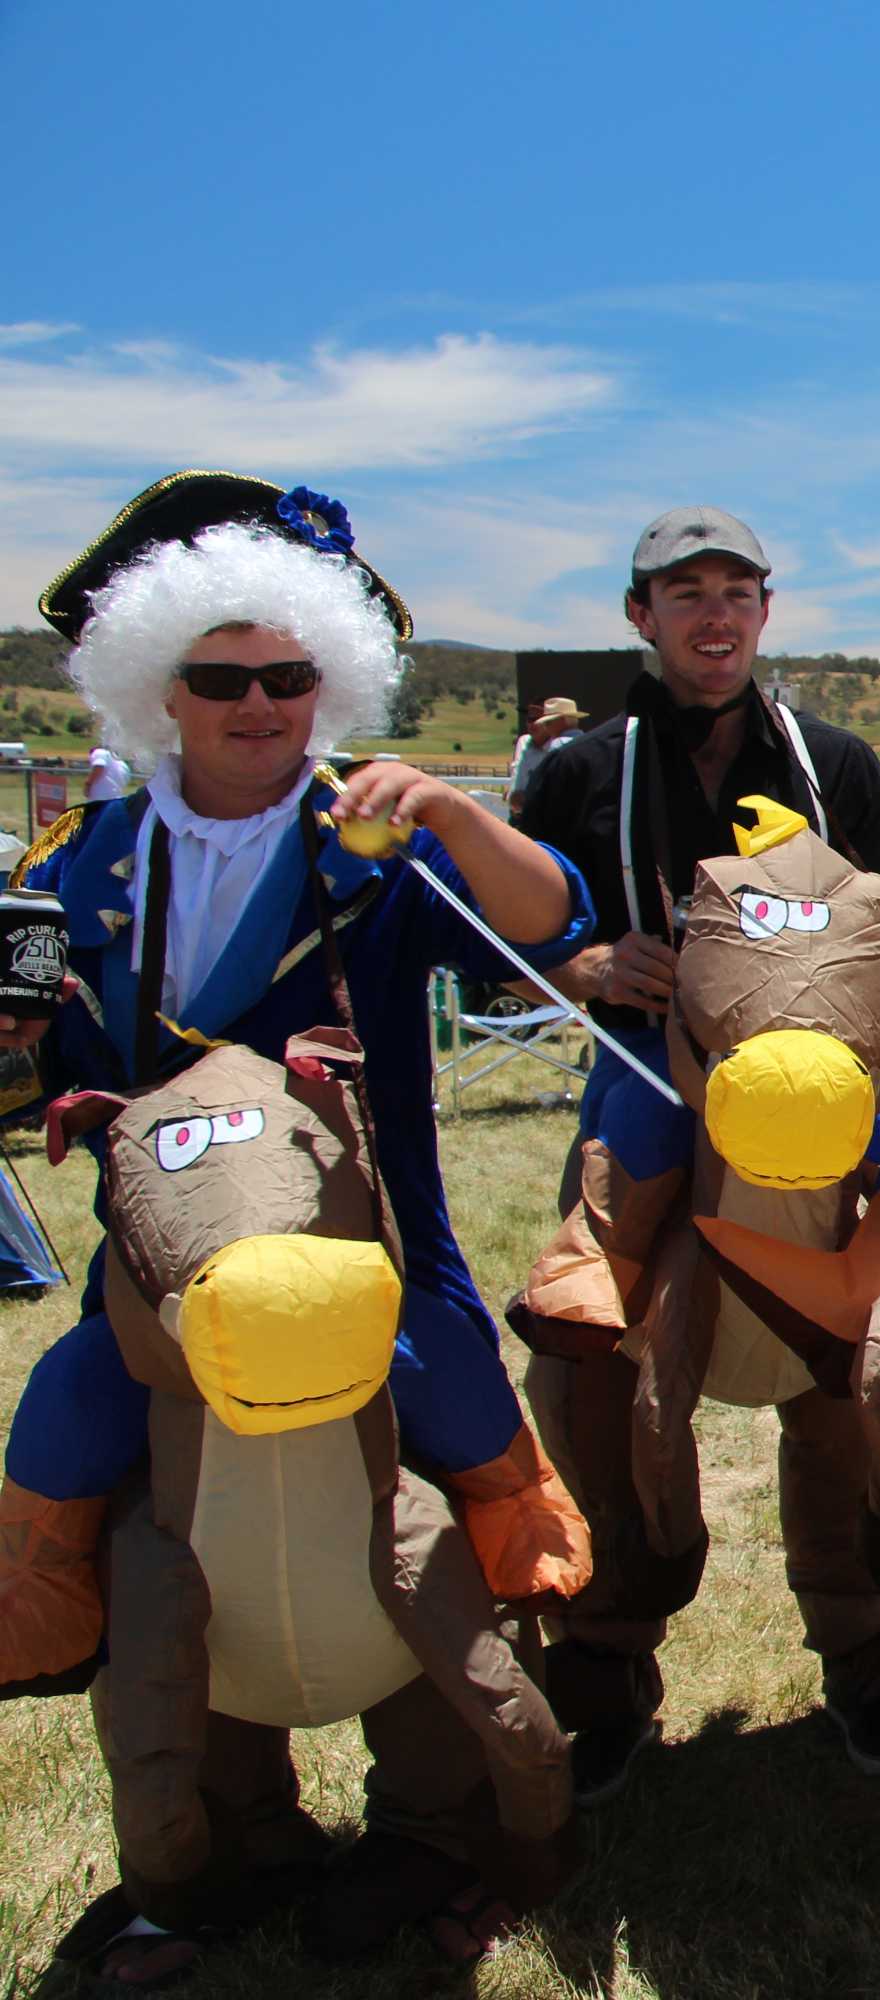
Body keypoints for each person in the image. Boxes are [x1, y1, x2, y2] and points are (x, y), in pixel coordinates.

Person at [0, 470, 595, 1976]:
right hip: (158, 1271)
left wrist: (459, 810)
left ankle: (447, 1816)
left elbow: (553, 928)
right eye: (221, 676)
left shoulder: (370, 841)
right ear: (161, 685)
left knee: (458, 1442)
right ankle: (198, 1803)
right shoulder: (85, 860)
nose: (259, 703)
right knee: (76, 1437)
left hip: (373, 1256)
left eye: (290, 674)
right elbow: (39, 1058)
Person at [509, 506, 880, 1803]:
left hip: (807, 1111)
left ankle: (869, 1652)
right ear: (640, 616)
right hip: (642, 1089)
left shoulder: (837, 761)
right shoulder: (579, 773)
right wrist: (582, 963)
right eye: (683, 593)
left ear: (766, 609)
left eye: (736, 591)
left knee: (843, 1361)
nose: (713, 615)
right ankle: (605, 1658)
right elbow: (517, 927)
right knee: (590, 1366)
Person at [503, 696, 582, 815]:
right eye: (529, 719)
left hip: (538, 816)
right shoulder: (523, 742)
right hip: (519, 815)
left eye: (546, 721)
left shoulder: (559, 745)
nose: (532, 724)